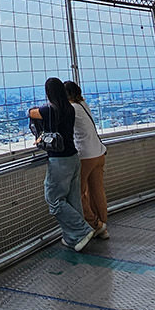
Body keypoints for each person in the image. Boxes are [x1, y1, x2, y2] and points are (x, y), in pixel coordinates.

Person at [28, 77, 94, 251]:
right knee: (73, 199)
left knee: (54, 199)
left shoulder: (50, 110)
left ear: (49, 93)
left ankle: (81, 230)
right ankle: (73, 238)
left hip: (59, 160)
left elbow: (31, 112)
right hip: (73, 157)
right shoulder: (70, 109)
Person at [65, 80, 109, 239]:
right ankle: (103, 226)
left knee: (78, 192)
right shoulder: (83, 104)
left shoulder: (72, 108)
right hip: (98, 152)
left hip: (85, 156)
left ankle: (94, 224)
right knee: (97, 191)